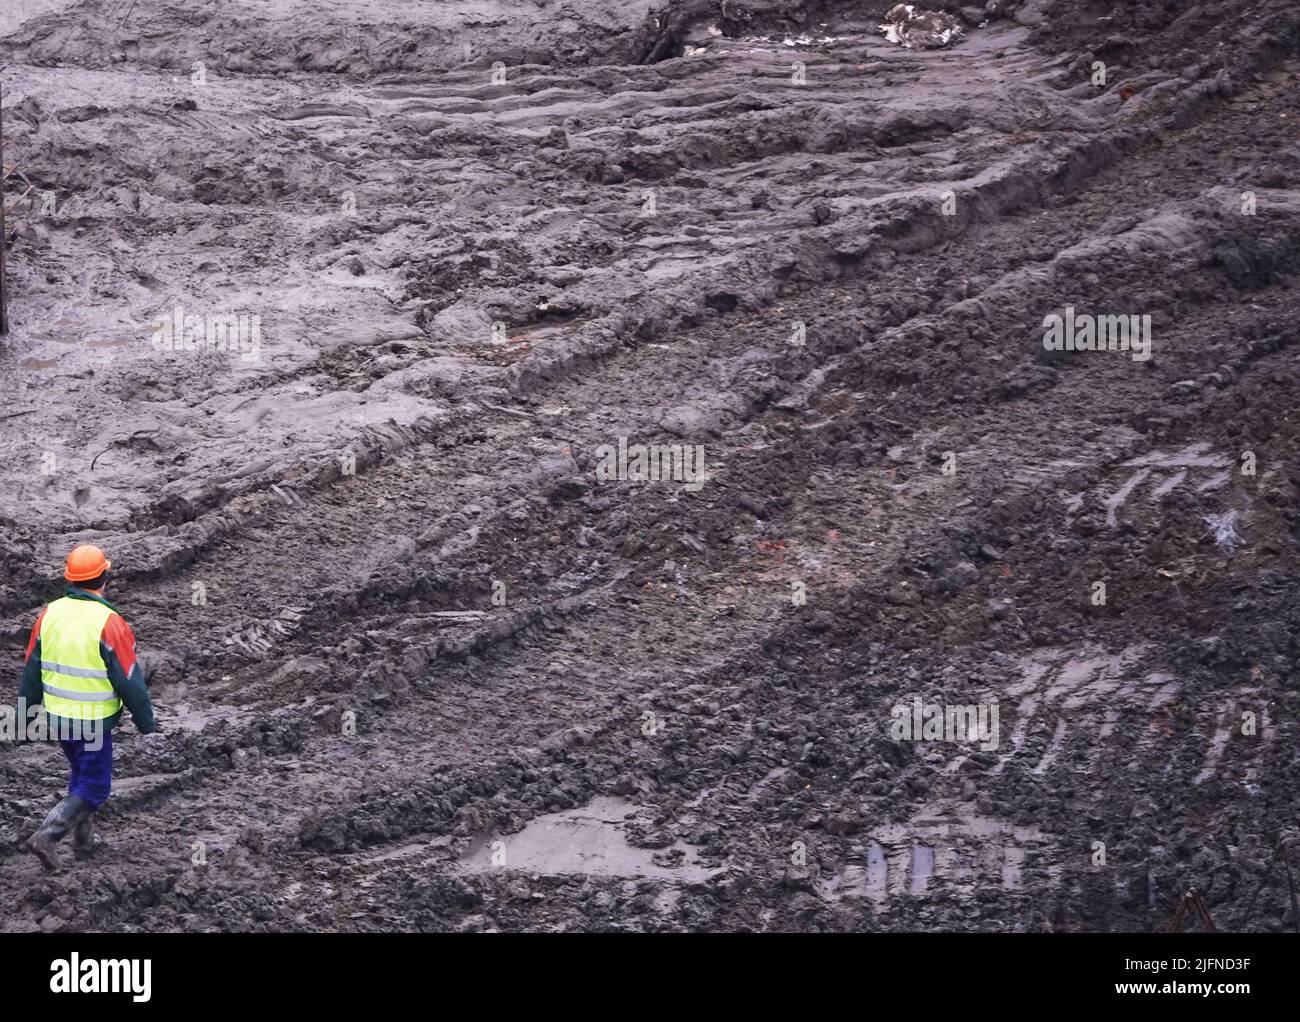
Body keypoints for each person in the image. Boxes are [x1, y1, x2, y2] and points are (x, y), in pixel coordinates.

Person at [19, 544, 157, 870]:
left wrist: (24, 714)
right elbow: (129, 679)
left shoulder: (49, 614)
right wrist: (145, 721)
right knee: (94, 785)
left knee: (81, 774)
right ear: (104, 577)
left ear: (70, 579)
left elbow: (30, 670)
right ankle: (47, 836)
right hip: (92, 722)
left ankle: (84, 842)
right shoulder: (109, 622)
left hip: (59, 718)